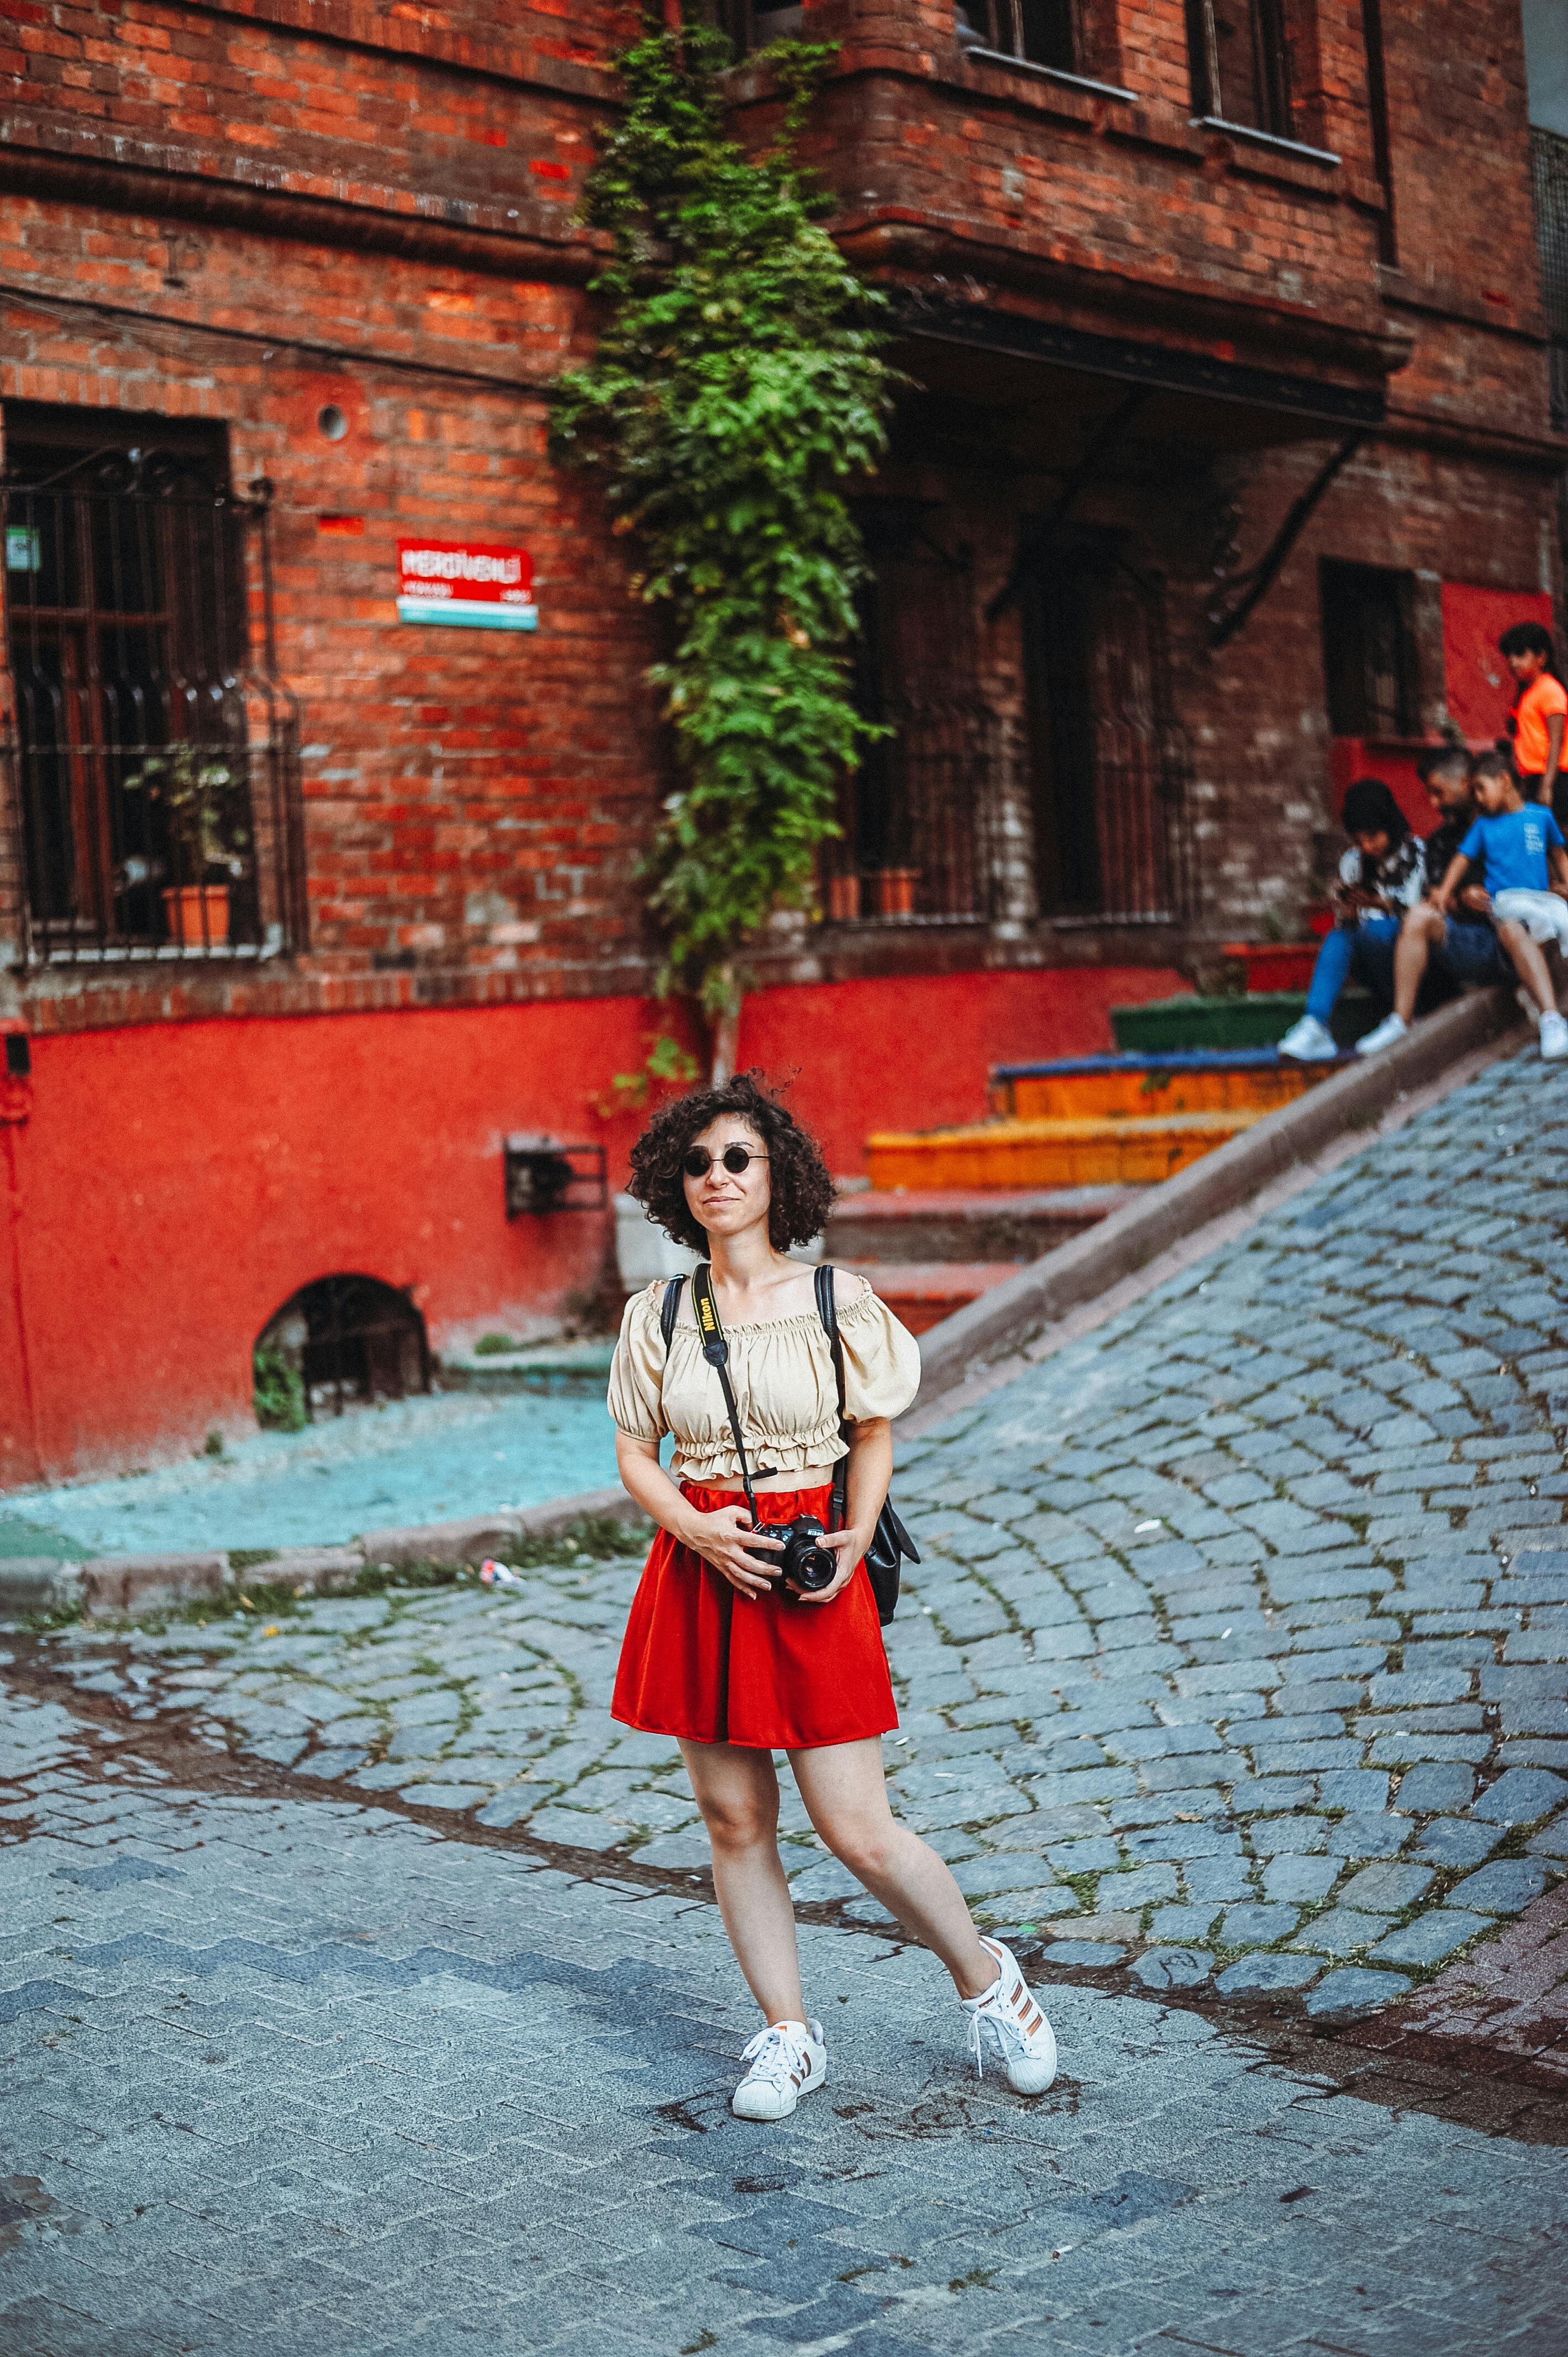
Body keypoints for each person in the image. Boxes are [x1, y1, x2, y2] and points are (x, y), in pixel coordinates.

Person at [606, 1072, 1059, 2121]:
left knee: (856, 1827)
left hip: (812, 1568)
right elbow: (636, 1450)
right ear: (677, 1187)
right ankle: (787, 2036)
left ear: (776, 1178)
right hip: (707, 1562)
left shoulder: (832, 1298)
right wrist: (692, 1525)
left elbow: (873, 1429)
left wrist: (855, 1541)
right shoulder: (660, 1313)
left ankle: (993, 1986)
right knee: (732, 1818)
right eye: (696, 1163)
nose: (715, 1177)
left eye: (737, 1159)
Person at [1353, 745, 1516, 1058]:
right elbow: (1436, 899)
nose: (1434, 803)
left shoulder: (1518, 823)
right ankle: (1402, 1020)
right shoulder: (1441, 841)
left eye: (1439, 792)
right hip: (1473, 941)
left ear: (1467, 782)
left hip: (1519, 934)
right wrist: (1461, 899)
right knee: (1416, 917)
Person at [1432, 750, 1568, 1060]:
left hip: (1540, 898)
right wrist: (1444, 892)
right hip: (1507, 900)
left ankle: (1531, 989)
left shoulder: (1540, 817)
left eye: (1481, 788)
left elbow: (1559, 853)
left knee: (1562, 918)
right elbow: (1461, 860)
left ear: (1505, 781)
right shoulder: (1482, 827)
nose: (1477, 797)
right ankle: (1551, 1020)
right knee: (1534, 920)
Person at [1278, 777, 1424, 1063]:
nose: (1368, 846)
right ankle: (1314, 1025)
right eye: (1359, 840)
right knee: (1339, 936)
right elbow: (1350, 928)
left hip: (1415, 966)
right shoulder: (1352, 863)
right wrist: (1348, 910)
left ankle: (1403, 1017)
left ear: (1389, 825)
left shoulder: (1419, 854)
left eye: (1373, 836)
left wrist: (1380, 904)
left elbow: (1424, 919)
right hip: (1374, 962)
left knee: (1383, 927)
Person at [1499, 621, 1566, 819]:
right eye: (1509, 655)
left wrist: (1547, 786)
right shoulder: (1527, 693)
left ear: (1542, 657)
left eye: (1520, 654)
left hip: (1555, 777)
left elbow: (1557, 740)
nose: (1513, 661)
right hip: (1534, 777)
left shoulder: (1550, 690)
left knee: (1560, 837)